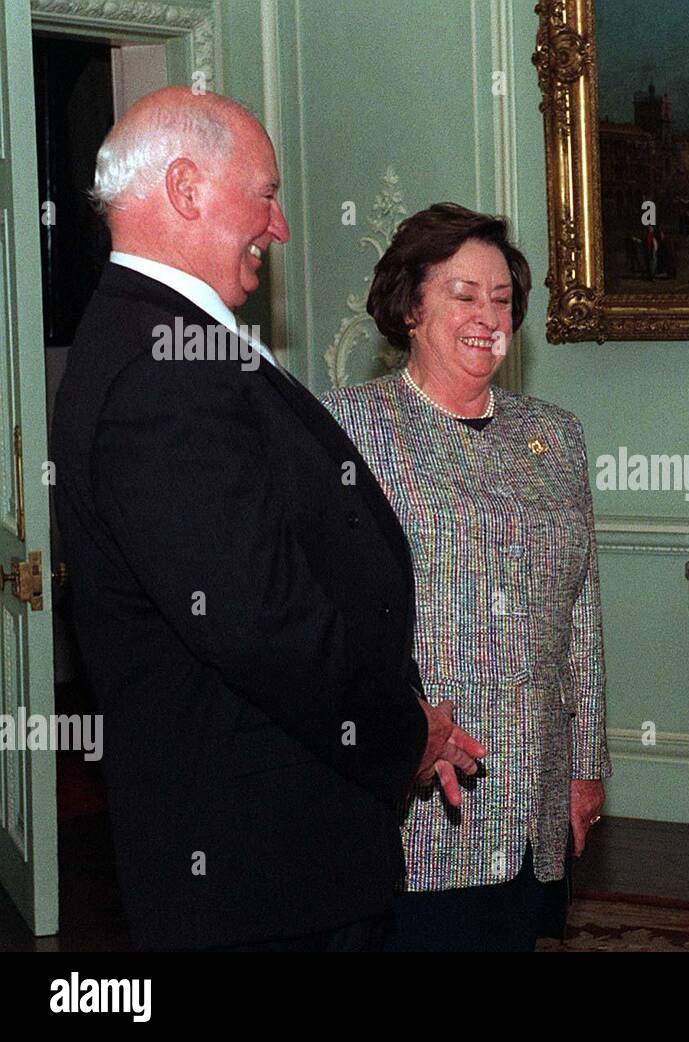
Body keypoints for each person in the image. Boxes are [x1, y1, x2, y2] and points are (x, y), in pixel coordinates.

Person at [50, 87, 483, 951]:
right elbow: (257, 623)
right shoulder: (160, 369)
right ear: (185, 188)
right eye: (268, 193)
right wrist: (403, 731)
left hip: (276, 843)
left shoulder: (165, 337)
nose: (278, 228)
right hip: (258, 864)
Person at [322, 203, 610, 952]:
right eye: (463, 294)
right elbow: (327, 614)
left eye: (503, 298)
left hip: (533, 786)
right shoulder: (349, 428)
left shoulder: (557, 434)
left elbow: (581, 609)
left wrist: (584, 769)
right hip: (418, 788)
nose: (488, 315)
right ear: (410, 307)